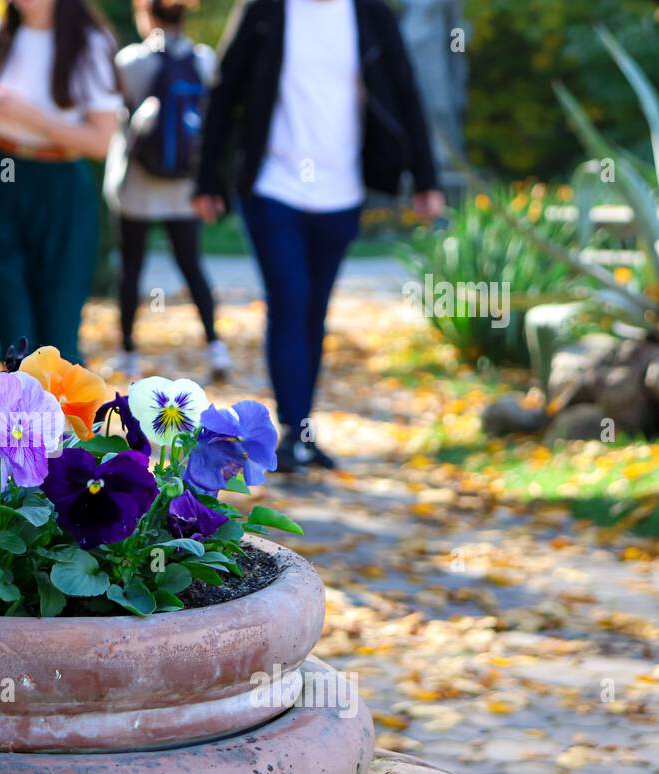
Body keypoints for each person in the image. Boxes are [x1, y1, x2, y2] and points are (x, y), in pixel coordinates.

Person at [194, 0, 444, 472]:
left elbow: (405, 90)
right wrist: (207, 180)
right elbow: (225, 91)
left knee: (314, 309)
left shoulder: (370, 14)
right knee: (290, 298)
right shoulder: (265, 10)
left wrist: (426, 178)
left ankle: (302, 429)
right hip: (273, 187)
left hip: (341, 191)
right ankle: (291, 432)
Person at [0, 0, 121, 365]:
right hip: (1, 174)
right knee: (10, 324)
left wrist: (32, 118)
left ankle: (60, 420)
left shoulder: (89, 39)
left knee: (59, 333)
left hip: (61, 183)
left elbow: (100, 141)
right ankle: (15, 417)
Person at [104, 0, 230, 382]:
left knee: (131, 268)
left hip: (138, 185)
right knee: (192, 265)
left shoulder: (131, 61)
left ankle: (128, 352)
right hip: (184, 188)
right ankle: (215, 346)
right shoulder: (203, 59)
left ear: (147, 15)